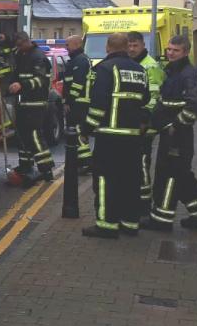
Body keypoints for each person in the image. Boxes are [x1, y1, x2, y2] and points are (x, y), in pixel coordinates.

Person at [143, 35, 197, 231]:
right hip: (171, 135)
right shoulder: (173, 71)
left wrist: (175, 126)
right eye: (169, 49)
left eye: (175, 50)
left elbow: (195, 105)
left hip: (177, 137)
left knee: (169, 178)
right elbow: (166, 102)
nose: (170, 53)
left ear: (185, 52)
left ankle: (161, 220)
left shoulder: (186, 73)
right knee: (183, 176)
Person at [83, 33, 150, 239]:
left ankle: (106, 225)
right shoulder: (140, 70)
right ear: (127, 47)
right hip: (132, 138)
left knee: (104, 181)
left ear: (108, 47)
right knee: (130, 181)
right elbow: (145, 99)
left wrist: (86, 129)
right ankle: (130, 223)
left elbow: (98, 105)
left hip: (109, 137)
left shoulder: (103, 69)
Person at [7, 32, 53, 183]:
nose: (18, 49)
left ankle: (46, 169)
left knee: (34, 135)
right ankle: (25, 166)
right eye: (17, 46)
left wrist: (22, 85)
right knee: (22, 136)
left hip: (36, 103)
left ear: (27, 42)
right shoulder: (22, 54)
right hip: (23, 103)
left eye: (20, 45)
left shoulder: (38, 57)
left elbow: (40, 80)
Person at [127, 32, 164, 212]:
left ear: (143, 45)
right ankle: (134, 201)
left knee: (142, 165)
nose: (132, 49)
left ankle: (143, 207)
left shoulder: (150, 66)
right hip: (132, 124)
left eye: (135, 45)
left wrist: (144, 120)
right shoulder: (132, 64)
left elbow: (154, 97)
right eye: (129, 46)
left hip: (145, 125)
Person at [62, 34, 93, 174]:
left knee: (78, 132)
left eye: (67, 45)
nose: (66, 48)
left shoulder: (80, 61)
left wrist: (69, 101)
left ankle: (85, 163)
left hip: (79, 103)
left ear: (76, 44)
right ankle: (81, 162)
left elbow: (77, 84)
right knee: (77, 132)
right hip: (78, 102)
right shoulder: (78, 59)